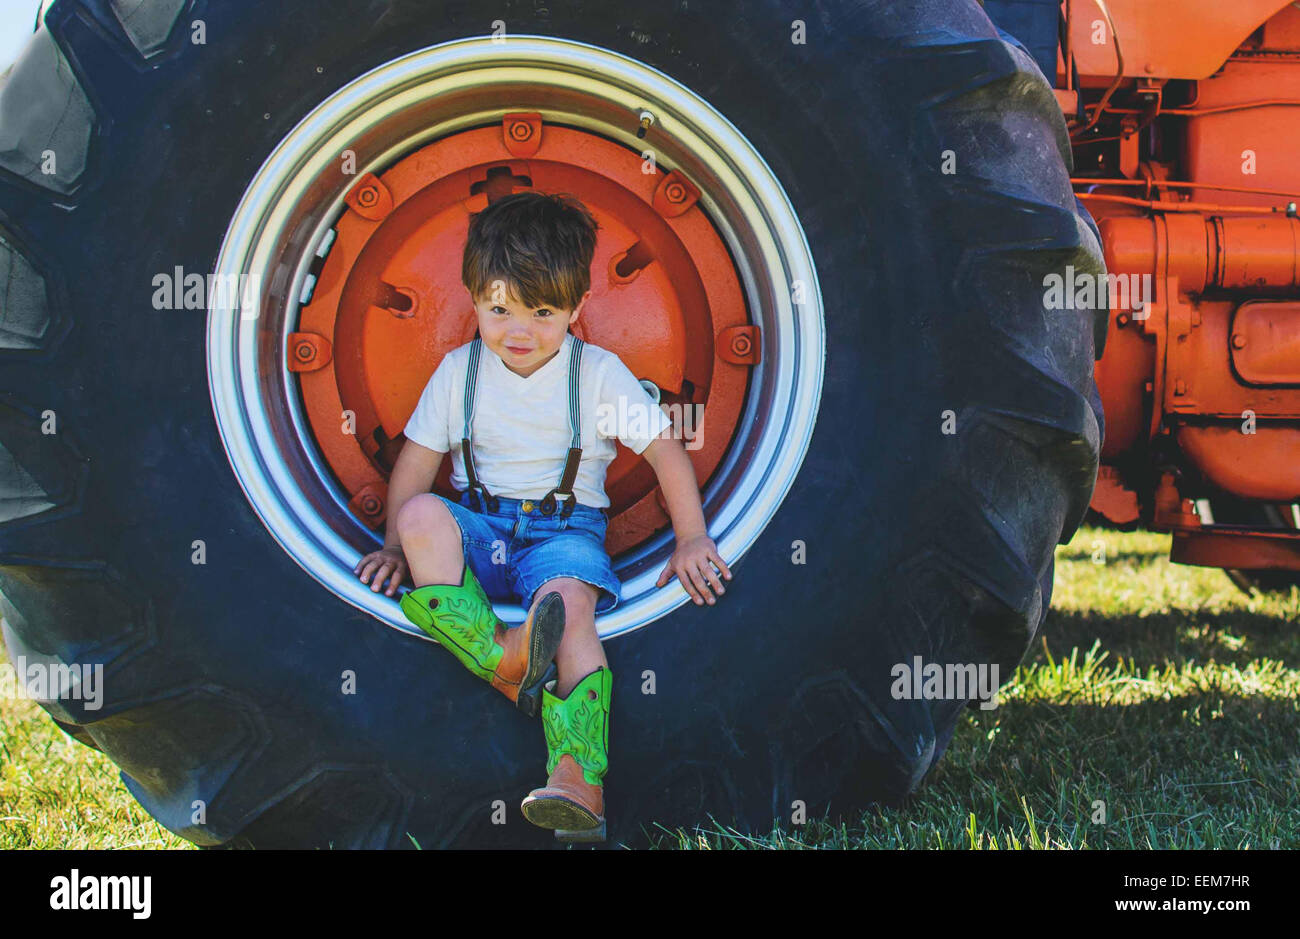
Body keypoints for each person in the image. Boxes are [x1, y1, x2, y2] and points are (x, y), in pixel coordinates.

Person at [353, 190, 731, 841]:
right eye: (498, 309)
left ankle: (578, 778)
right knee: (418, 514)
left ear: (578, 307)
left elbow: (666, 452)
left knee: (569, 608)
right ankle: (504, 655)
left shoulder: (600, 375)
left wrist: (691, 537)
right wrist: (394, 546)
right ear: (473, 297)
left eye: (543, 311)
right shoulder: (459, 371)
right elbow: (415, 463)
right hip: (481, 527)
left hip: (563, 533)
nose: (518, 331)